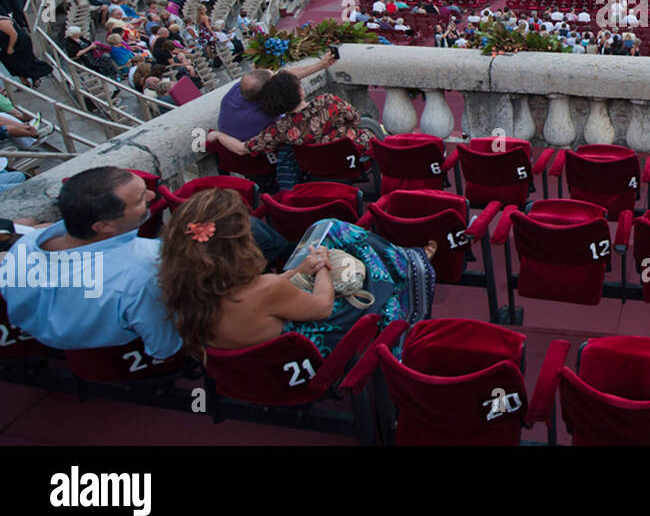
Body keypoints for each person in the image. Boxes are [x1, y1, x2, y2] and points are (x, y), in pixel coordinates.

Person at [158, 188, 438, 355]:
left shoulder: (184, 287)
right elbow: (323, 306)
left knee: (333, 229)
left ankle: (405, 259)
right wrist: (321, 268)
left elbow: (258, 297)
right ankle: (410, 265)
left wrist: (297, 271)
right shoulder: (267, 288)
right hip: (308, 347)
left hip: (254, 352)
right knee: (381, 284)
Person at [0, 167, 183, 360]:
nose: (152, 195)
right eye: (139, 199)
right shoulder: (144, 271)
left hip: (45, 339)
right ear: (104, 226)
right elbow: (164, 348)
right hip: (114, 357)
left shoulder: (26, 244)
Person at [207, 71, 374, 191]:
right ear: (300, 92)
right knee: (369, 125)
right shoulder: (329, 102)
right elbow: (356, 119)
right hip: (352, 160)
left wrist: (218, 135)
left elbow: (241, 148)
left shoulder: (280, 129)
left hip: (316, 170)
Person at [0, 13, 53, 87]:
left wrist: (10, 47)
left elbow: (14, 34)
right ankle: (23, 80)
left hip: (19, 43)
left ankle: (36, 77)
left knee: (26, 61)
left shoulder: (2, 22)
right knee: (9, 61)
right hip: (6, 44)